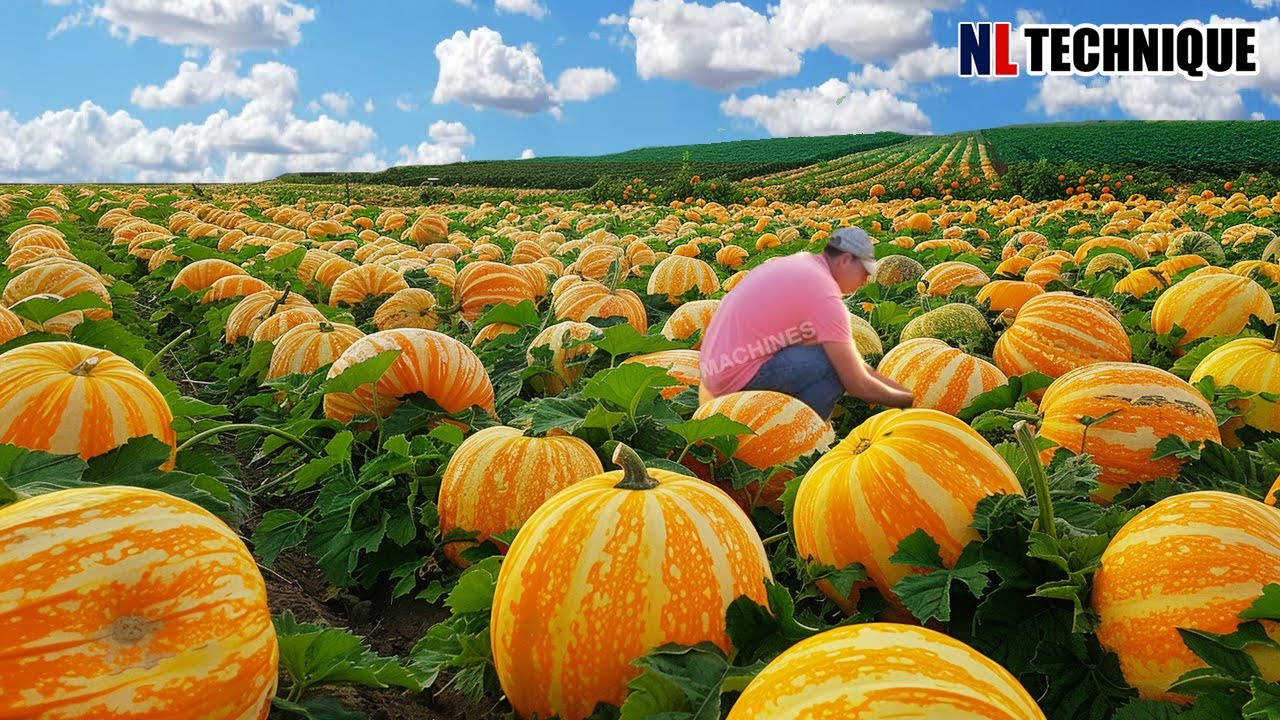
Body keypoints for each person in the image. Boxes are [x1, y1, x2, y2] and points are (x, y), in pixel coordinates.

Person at [699, 226, 914, 419]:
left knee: (821, 353)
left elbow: (849, 360)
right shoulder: (824, 294)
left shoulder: (803, 264)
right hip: (734, 385)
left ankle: (782, 416)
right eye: (863, 272)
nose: (865, 281)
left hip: (714, 374)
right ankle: (803, 437)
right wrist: (908, 402)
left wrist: (893, 387)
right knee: (831, 367)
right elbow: (855, 382)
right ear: (846, 260)